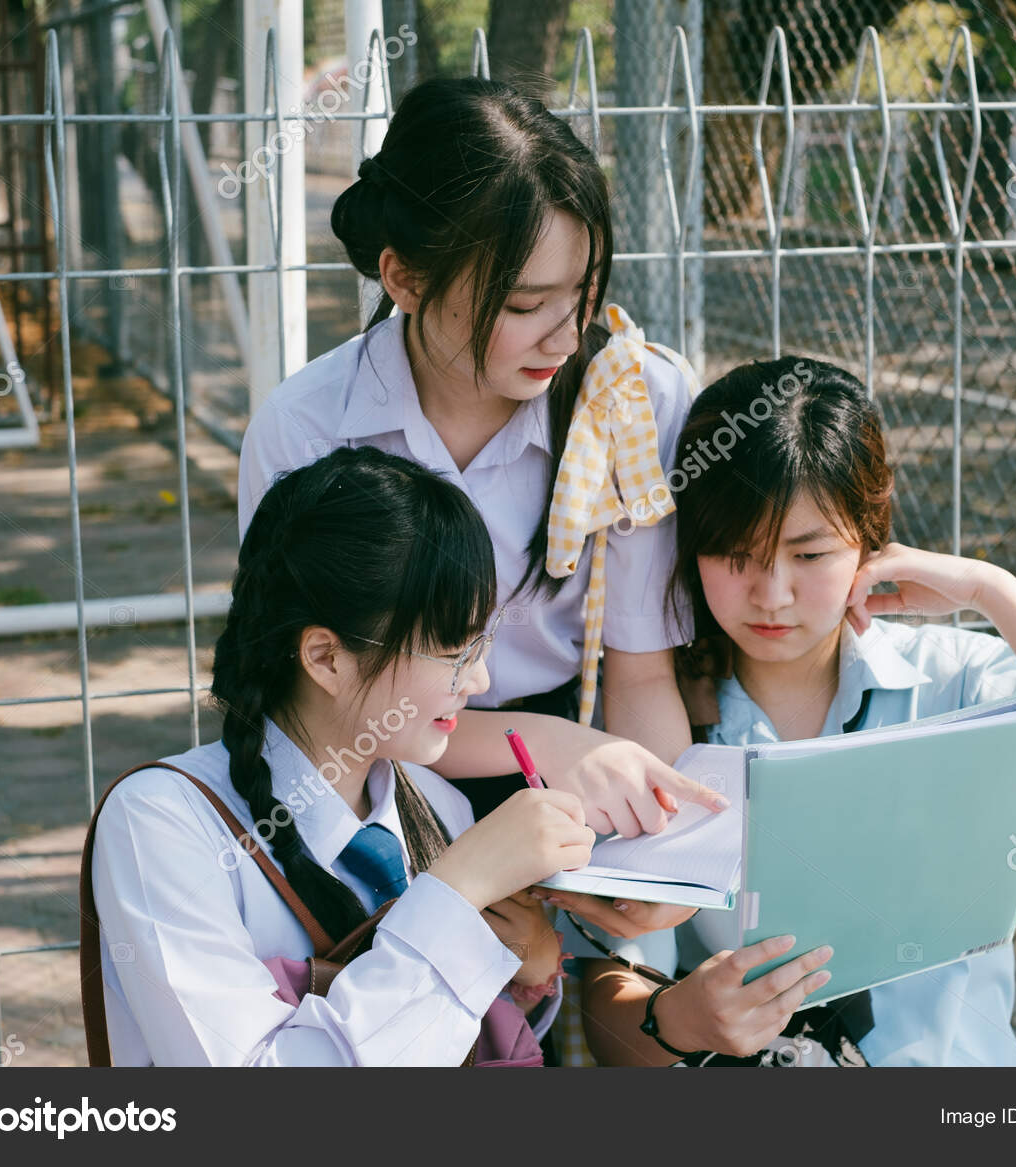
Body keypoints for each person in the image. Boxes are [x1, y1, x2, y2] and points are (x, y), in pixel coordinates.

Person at [557, 357, 1016, 1066]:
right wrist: (678, 1019)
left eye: (809, 553)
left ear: (868, 528)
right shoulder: (661, 714)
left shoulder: (953, 684)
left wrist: (994, 592)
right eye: (736, 554)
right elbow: (610, 989)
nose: (772, 593)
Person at [237, 76, 722, 859]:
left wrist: (649, 871)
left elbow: (640, 676)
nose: (566, 339)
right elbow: (312, 714)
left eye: (585, 292)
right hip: (377, 785)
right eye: (525, 306)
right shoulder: (309, 431)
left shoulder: (631, 399)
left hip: (589, 766)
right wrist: (542, 743)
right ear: (404, 279)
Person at [87, 446, 596, 1065]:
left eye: (482, 641)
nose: (480, 680)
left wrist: (532, 970)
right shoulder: (160, 825)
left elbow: (475, 1043)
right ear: (326, 658)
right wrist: (456, 896)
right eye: (453, 649)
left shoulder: (437, 804)